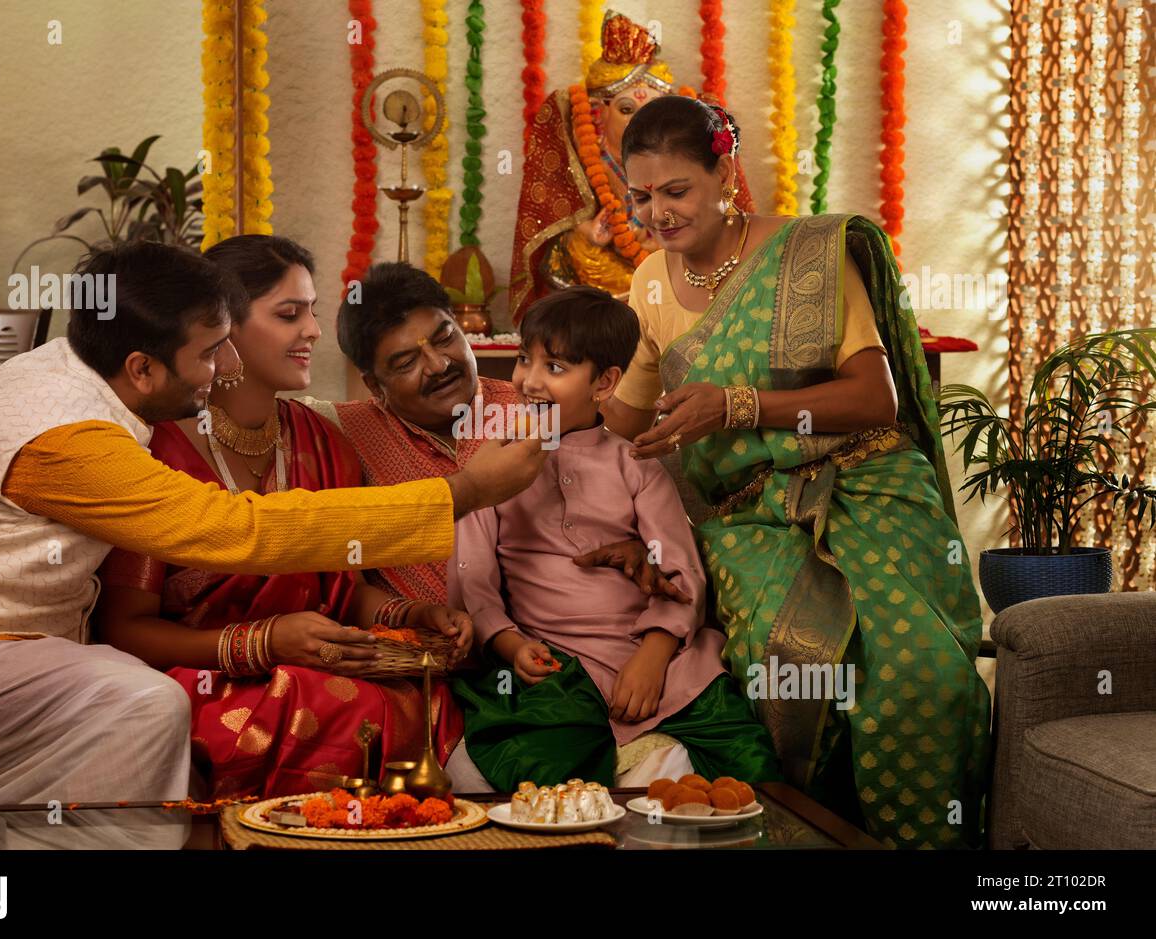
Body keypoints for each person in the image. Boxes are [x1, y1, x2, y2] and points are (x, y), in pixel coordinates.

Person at [0, 241, 544, 848]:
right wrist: (464, 491)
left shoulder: (77, 375)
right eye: (210, 352)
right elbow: (236, 530)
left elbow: (327, 573)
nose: (224, 366)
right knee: (143, 704)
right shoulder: (69, 436)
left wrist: (396, 616)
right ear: (143, 368)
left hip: (0, 676)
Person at [602, 95, 990, 849]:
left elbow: (877, 396)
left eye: (676, 191)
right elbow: (624, 415)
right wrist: (538, 414)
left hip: (866, 485)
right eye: (640, 197)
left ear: (726, 171)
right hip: (749, 516)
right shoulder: (649, 283)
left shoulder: (811, 252)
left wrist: (739, 406)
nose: (658, 215)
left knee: (924, 680)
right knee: (793, 668)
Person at [94, 236, 470, 799]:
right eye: (290, 314)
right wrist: (261, 643)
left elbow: (342, 593)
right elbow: (123, 629)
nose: (314, 331)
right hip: (205, 680)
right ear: (223, 329)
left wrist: (410, 611)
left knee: (424, 689)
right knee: (327, 701)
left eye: (312, 312)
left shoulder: (324, 444)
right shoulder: (158, 453)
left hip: (313, 666)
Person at [450, 286, 781, 790]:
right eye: (524, 360)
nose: (530, 382)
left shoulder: (635, 466)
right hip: (550, 661)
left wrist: (653, 654)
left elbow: (681, 570)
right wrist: (511, 644)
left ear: (604, 382)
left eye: (555, 368)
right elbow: (473, 580)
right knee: (534, 772)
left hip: (655, 655)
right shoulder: (493, 463)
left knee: (749, 766)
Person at [307, 260, 687, 607]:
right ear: (375, 386)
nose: (439, 365)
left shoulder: (544, 408)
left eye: (445, 338)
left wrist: (641, 548)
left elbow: (624, 494)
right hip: (419, 661)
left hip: (557, 646)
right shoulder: (339, 435)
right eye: (407, 361)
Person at [507, 11, 758, 324]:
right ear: (600, 113)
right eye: (627, 109)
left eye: (651, 108)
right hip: (609, 272)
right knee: (574, 252)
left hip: (673, 260)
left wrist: (665, 235)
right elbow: (560, 233)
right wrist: (588, 235)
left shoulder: (688, 156)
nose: (641, 120)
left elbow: (722, 222)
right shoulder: (588, 155)